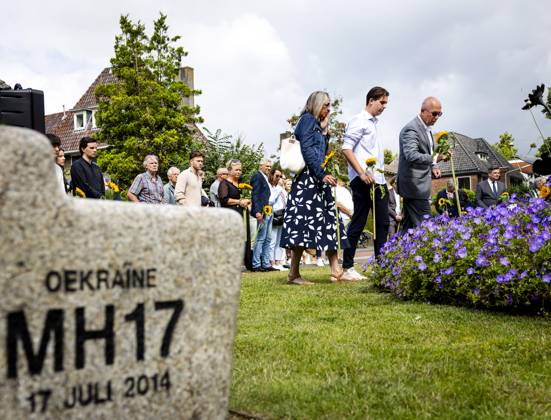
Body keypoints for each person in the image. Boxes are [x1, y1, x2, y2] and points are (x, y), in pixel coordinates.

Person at [280, 91, 349, 285]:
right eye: (326, 105)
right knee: (302, 227)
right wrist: (321, 174)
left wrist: (325, 131)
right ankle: (293, 274)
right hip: (308, 182)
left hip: (318, 181)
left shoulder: (316, 124)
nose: (329, 109)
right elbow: (308, 150)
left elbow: (321, 152)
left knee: (330, 222)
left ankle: (336, 269)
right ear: (316, 104)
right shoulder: (307, 120)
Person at [341, 87, 390, 280]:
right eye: (382, 102)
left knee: (383, 223)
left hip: (378, 180)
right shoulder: (359, 120)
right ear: (371, 100)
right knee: (359, 221)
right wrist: (361, 173)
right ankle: (347, 268)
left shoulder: (373, 123)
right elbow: (346, 148)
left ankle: (383, 265)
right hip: (364, 180)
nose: (384, 107)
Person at [397, 97, 445, 232]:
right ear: (423, 111)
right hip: (414, 187)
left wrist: (434, 166)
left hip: (420, 186)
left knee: (409, 229)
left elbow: (427, 152)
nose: (437, 117)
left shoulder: (428, 129)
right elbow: (411, 155)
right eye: (434, 113)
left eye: (439, 114)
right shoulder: (411, 129)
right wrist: (437, 157)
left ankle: (395, 252)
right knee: (427, 227)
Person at [218, 159, 252, 270]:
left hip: (242, 214)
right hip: (231, 215)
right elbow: (224, 199)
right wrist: (239, 202)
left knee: (243, 239)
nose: (239, 172)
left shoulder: (241, 183)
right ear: (229, 170)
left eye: (240, 170)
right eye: (236, 169)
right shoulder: (224, 183)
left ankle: (242, 263)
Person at [251, 159, 276, 272]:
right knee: (261, 238)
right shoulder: (257, 176)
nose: (269, 168)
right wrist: (257, 211)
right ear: (260, 165)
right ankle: (256, 264)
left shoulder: (265, 177)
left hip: (269, 210)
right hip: (261, 211)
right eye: (267, 166)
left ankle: (266, 263)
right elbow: (255, 195)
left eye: (270, 166)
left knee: (268, 239)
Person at [268, 168, 287, 270]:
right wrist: (279, 190)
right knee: (273, 240)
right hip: (274, 215)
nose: (279, 178)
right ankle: (272, 262)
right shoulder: (271, 188)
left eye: (281, 176)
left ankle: (278, 261)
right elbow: (270, 201)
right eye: (277, 176)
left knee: (280, 241)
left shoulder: (281, 189)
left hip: (283, 215)